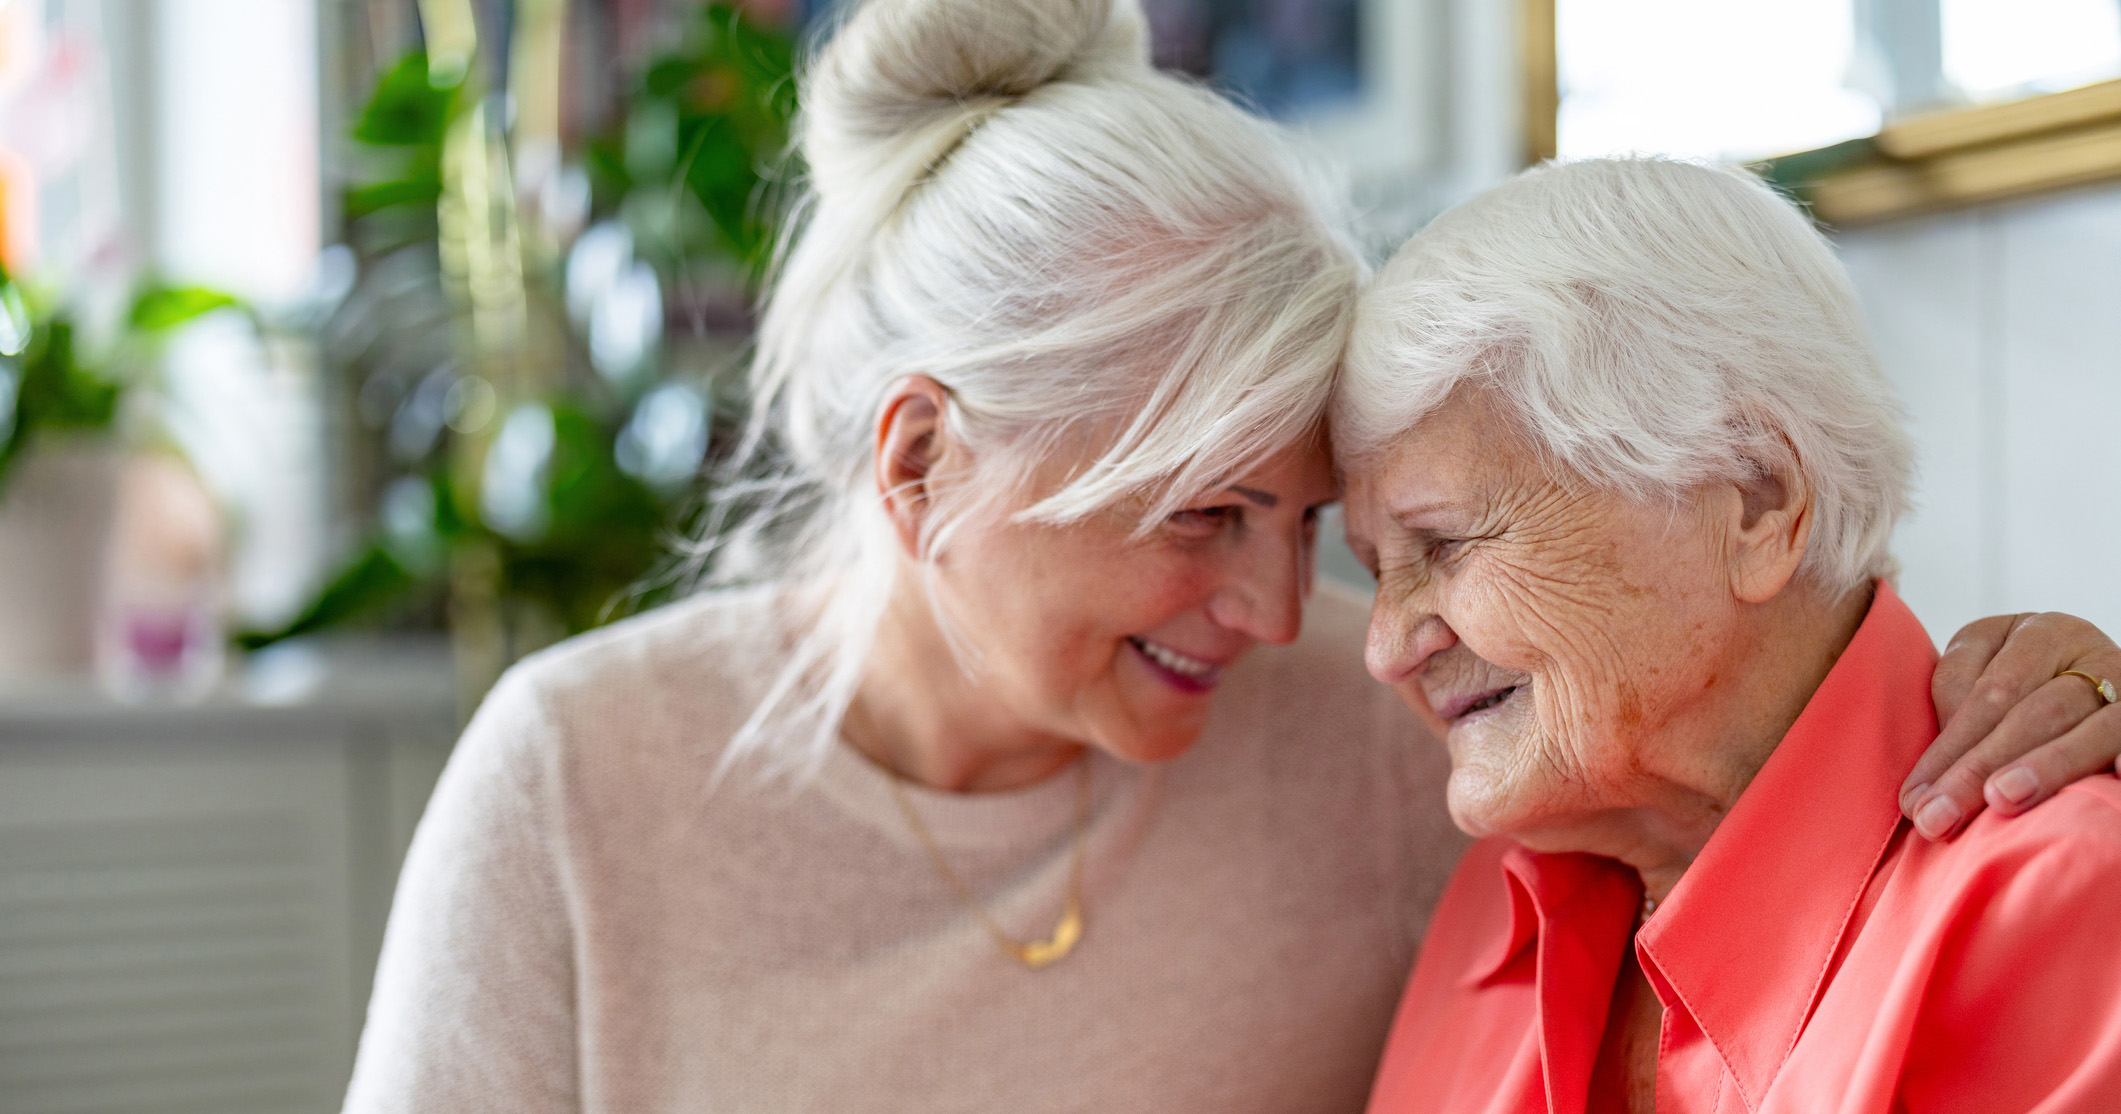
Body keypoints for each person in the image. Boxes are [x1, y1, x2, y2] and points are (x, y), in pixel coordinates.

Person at [342, 4, 2121, 1111]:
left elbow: (1770, 719)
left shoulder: (1407, 766)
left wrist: (2041, 674)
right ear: (921, 461)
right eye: (1201, 512)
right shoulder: (575, 777)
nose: (1295, 619)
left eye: (1306, 525)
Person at [1347, 157, 2121, 1114]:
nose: (1384, 645)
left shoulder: (2060, 905)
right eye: (1374, 565)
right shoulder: (1492, 908)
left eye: (1445, 542)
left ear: (1756, 499)